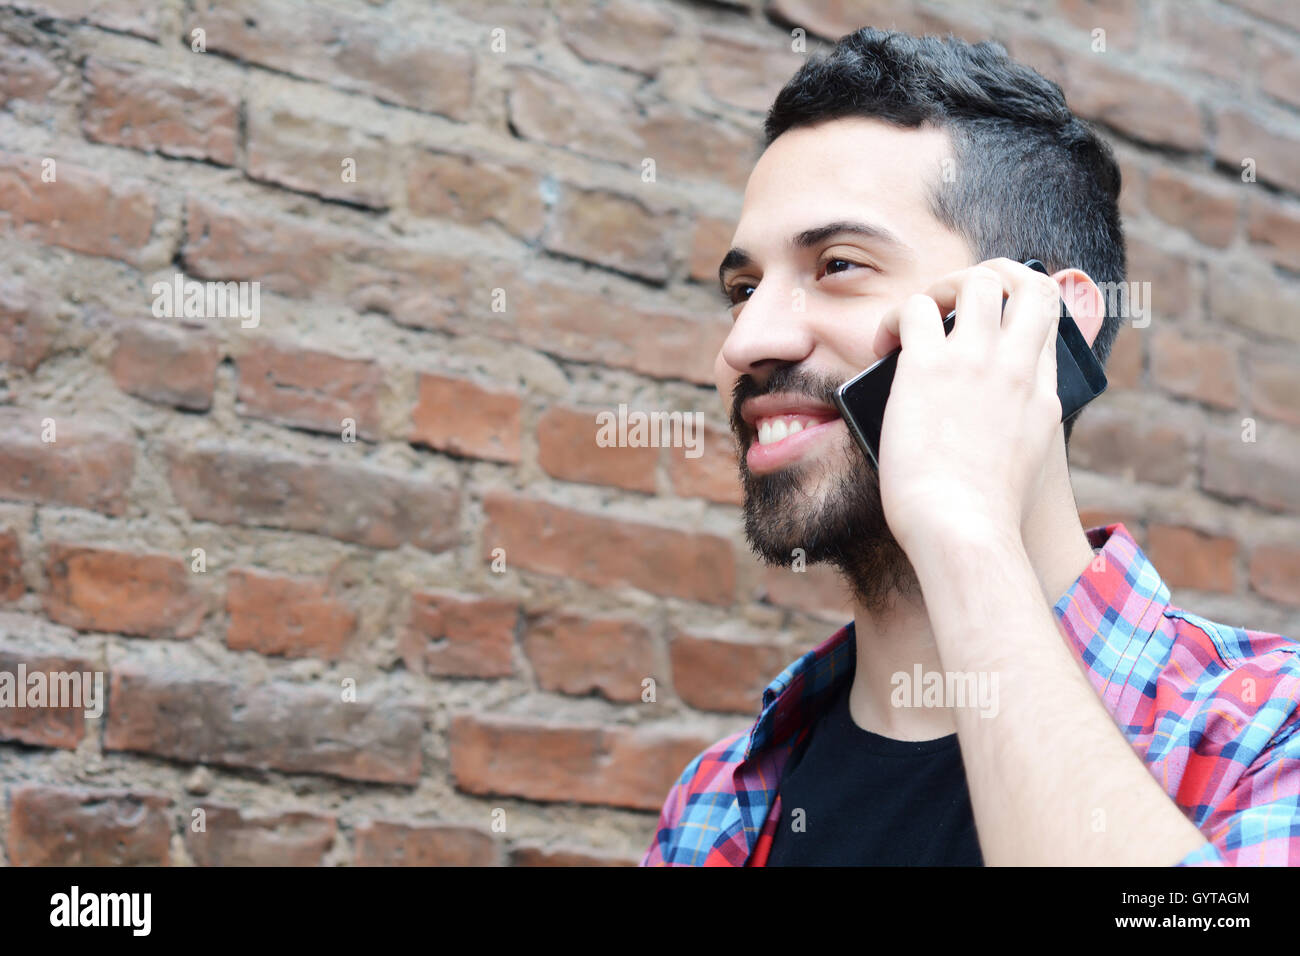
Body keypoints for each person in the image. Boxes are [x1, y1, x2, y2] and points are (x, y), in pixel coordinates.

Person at [640, 27, 1300, 866]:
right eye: (742, 288)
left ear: (1042, 322)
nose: (746, 340)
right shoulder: (712, 806)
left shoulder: (1266, 734)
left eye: (838, 264)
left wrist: (966, 533)